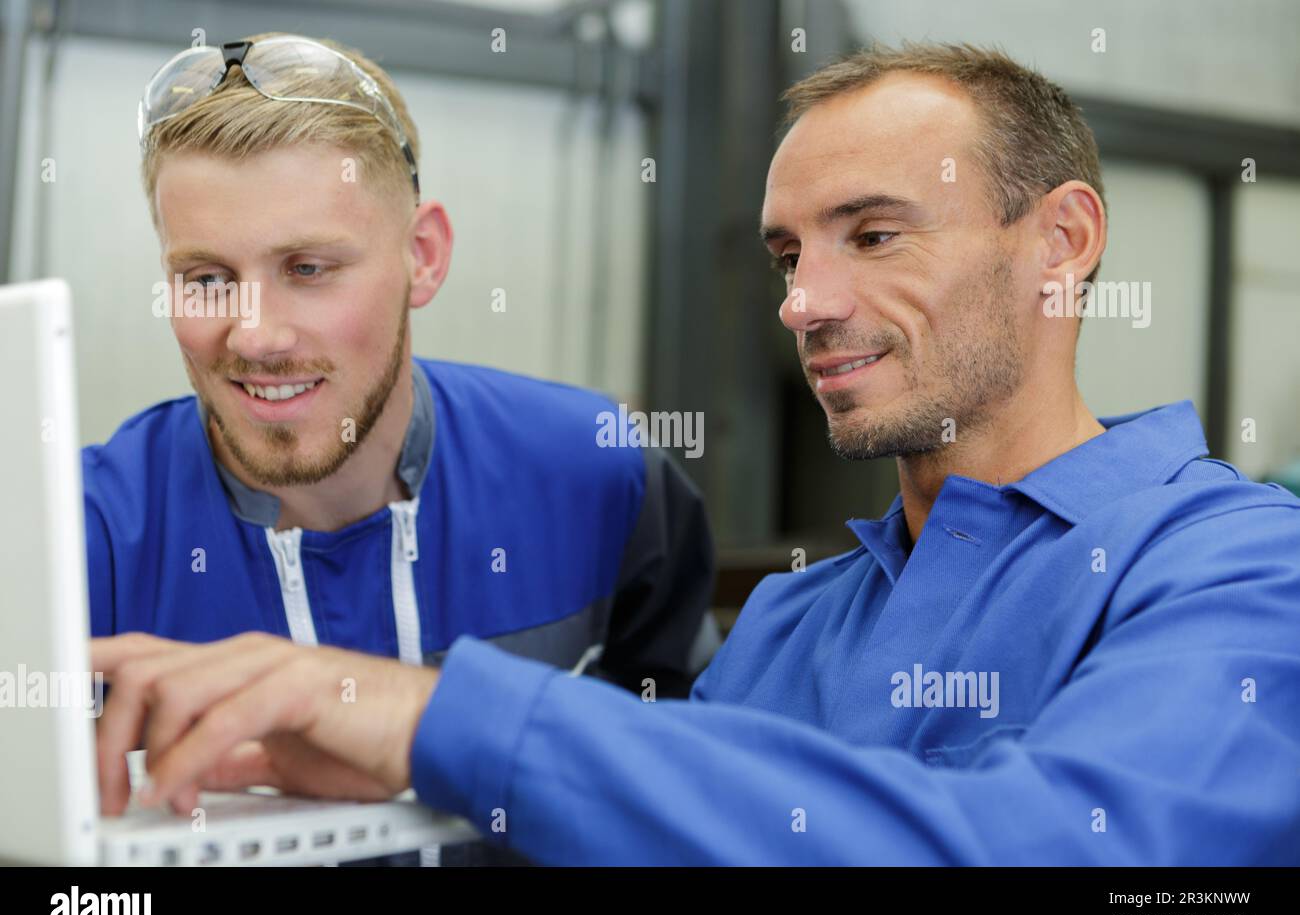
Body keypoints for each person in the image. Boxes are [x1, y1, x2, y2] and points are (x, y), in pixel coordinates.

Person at [94, 42, 1300, 865]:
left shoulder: (1240, 571)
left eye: (871, 234)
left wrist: (428, 718)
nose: (805, 302)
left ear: (1063, 241)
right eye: (787, 256)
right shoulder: (786, 628)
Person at [86, 33, 717, 863]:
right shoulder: (77, 537)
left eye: (308, 268)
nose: (256, 335)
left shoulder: (598, 475)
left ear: (422, 256)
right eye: (206, 278)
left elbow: (699, 779)